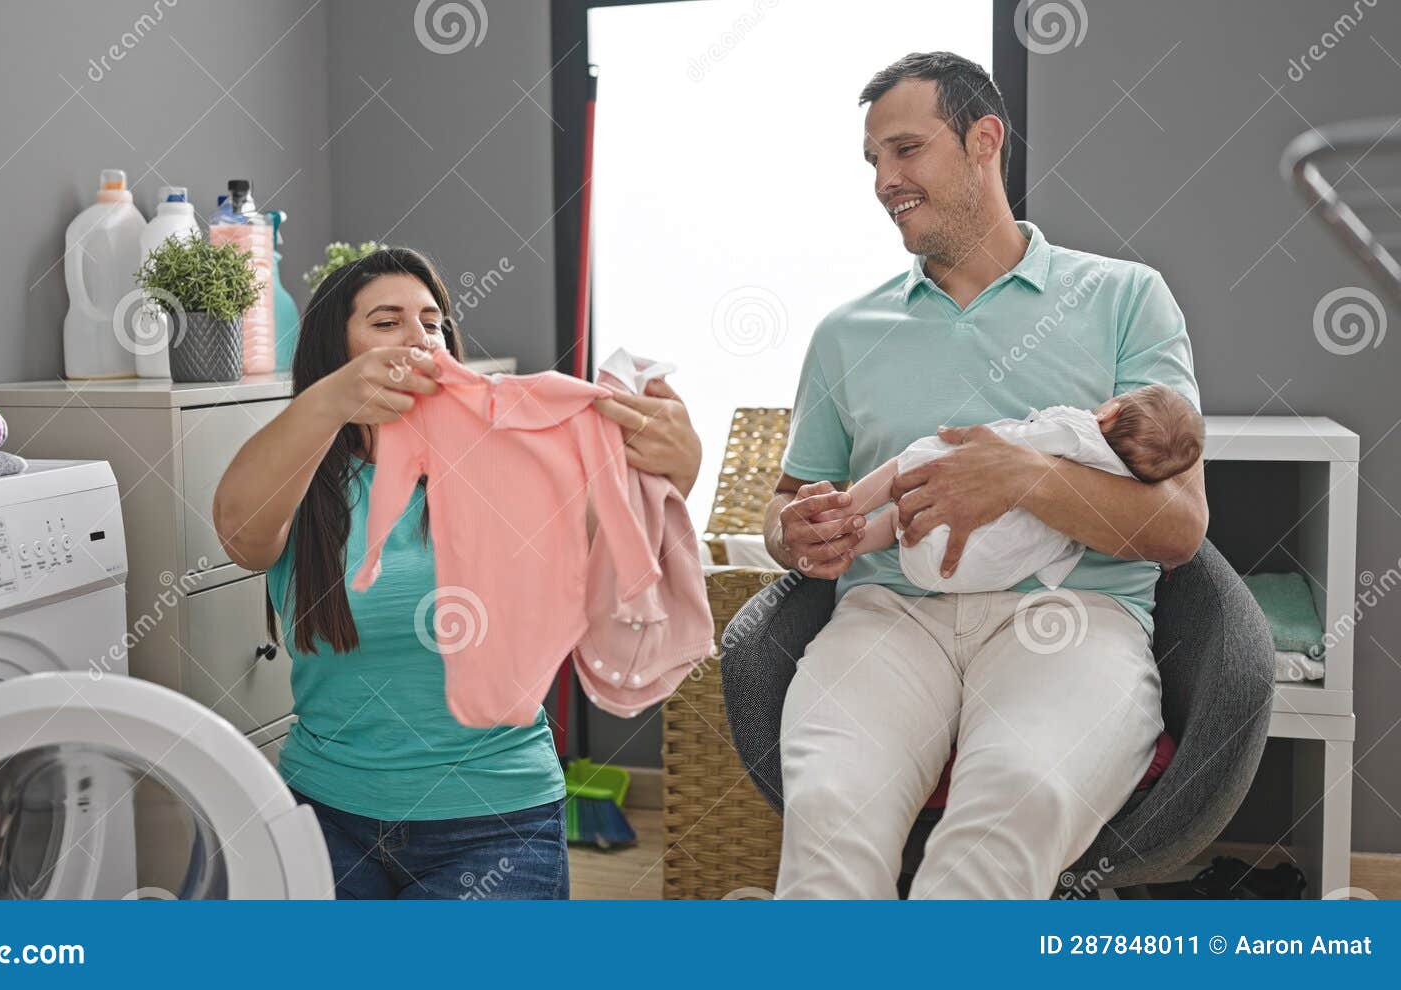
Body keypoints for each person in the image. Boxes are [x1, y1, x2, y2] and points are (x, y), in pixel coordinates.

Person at [765, 52, 1206, 899]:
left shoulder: (1126, 298)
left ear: (983, 140)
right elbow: (784, 511)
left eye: (905, 150)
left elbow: (1180, 529)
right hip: (889, 617)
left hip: (1070, 621)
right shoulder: (844, 333)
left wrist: (1023, 477)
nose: (885, 181)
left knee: (1008, 814)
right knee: (828, 815)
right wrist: (793, 535)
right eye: (873, 162)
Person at [212, 247, 701, 899]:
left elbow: (621, 541)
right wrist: (330, 402)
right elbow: (241, 534)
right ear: (336, 354)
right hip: (324, 818)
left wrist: (681, 468)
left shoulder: (513, 467)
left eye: (432, 322)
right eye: (386, 323)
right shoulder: (307, 481)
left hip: (495, 824)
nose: (417, 337)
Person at [841, 383, 1205, 593]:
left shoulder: (1079, 430)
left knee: (921, 460)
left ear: (1109, 413)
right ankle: (855, 534)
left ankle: (843, 513)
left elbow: (1011, 442)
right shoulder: (1120, 490)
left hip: (936, 550)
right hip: (978, 575)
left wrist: (975, 447)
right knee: (910, 516)